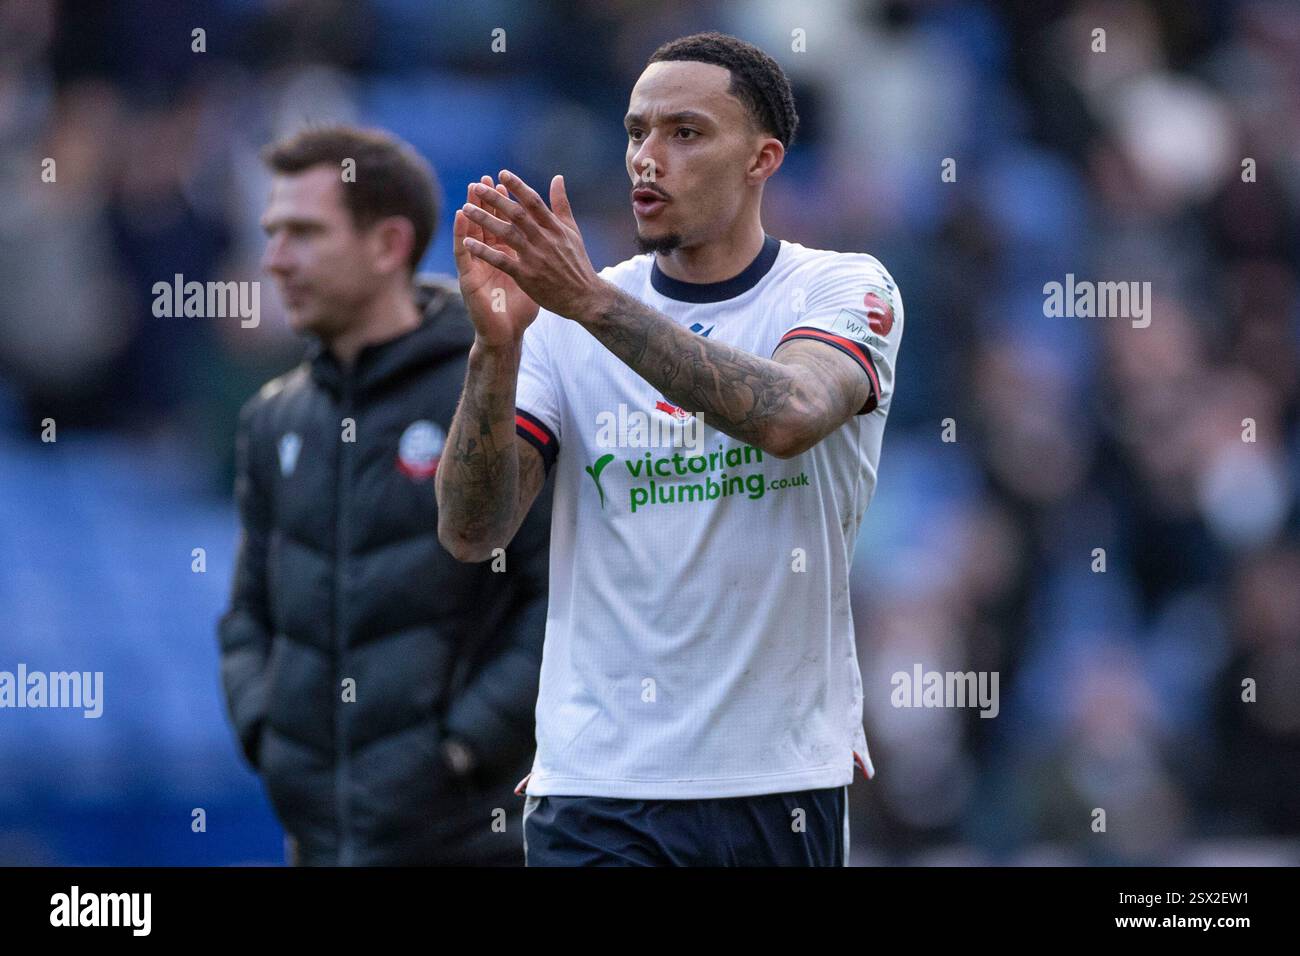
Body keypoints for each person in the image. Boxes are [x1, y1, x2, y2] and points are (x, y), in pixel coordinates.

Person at [436, 32, 904, 866]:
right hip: (596, 784)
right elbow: (474, 532)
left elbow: (790, 412)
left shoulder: (841, 287)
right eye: (635, 132)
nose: (647, 159)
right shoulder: (564, 316)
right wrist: (496, 350)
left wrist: (587, 304)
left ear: (763, 159)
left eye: (685, 133)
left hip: (775, 780)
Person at [218, 125, 551, 865]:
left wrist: (464, 749)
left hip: (472, 842)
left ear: (388, 244)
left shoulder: (497, 392)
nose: (275, 260)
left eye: (302, 234)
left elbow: (557, 596)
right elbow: (247, 614)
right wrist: (266, 735)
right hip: (319, 840)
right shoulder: (273, 418)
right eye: (272, 235)